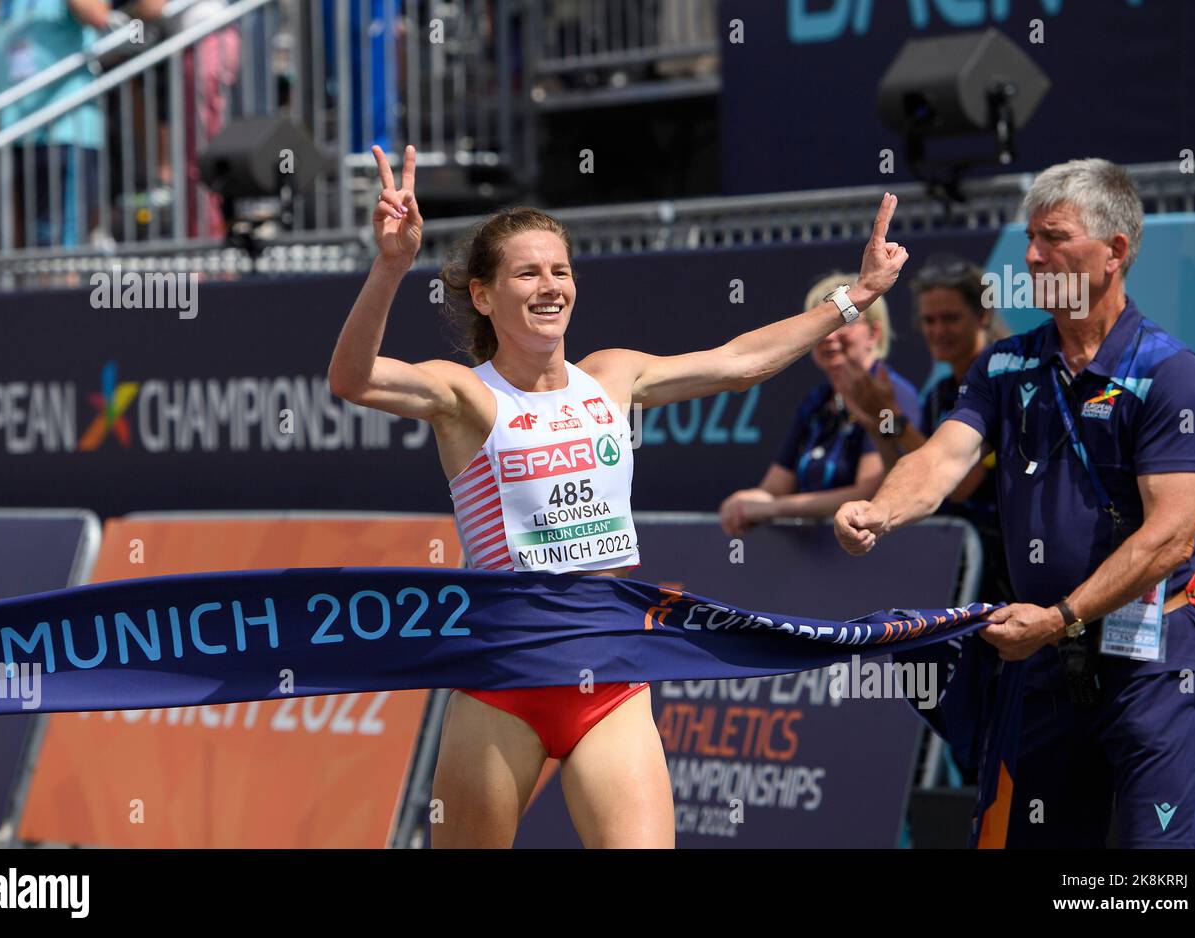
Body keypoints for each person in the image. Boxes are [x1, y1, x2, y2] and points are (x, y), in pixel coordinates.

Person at [328, 145, 910, 848]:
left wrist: (856, 297)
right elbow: (353, 380)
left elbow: (735, 364)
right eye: (527, 273)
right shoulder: (466, 394)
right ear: (483, 295)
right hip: (504, 672)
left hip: (610, 666)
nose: (550, 286)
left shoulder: (611, 377)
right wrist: (391, 267)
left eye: (561, 271)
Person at [834, 158, 1195, 848]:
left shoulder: (1168, 370)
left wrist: (1063, 616)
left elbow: (1171, 535)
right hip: (1041, 659)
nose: (1032, 256)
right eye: (1030, 239)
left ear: (1114, 252)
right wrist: (880, 512)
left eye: (1053, 238)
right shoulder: (1003, 365)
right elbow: (942, 460)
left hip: (1149, 665)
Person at [841, 254, 1015, 604]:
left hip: (1003, 573)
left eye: (950, 318)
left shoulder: (1005, 381)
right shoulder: (940, 393)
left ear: (983, 316)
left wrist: (896, 419)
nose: (937, 331)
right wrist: (878, 423)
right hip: (950, 567)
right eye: (928, 320)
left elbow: (961, 484)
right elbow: (904, 469)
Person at [718, 272, 922, 537]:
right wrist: (744, 502)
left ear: (874, 332)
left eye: (845, 320)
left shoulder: (893, 395)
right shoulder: (816, 402)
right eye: (823, 324)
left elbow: (871, 491)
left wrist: (771, 509)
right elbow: (773, 489)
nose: (828, 336)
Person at [0, 0, 111, 247]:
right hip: (14, 137)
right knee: (23, 249)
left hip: (65, 133)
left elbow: (97, 15)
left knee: (57, 247)